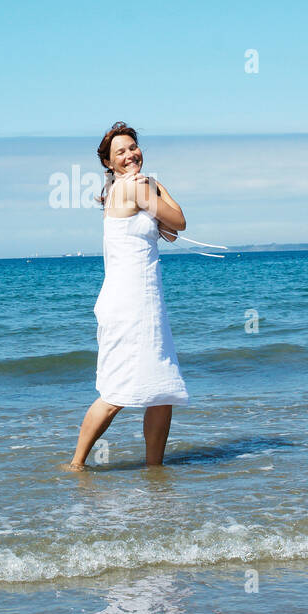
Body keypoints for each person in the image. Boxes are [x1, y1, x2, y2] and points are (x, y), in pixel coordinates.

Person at [70, 121, 189, 469]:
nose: (129, 155)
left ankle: (155, 469)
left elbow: (168, 233)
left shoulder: (133, 189)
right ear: (108, 163)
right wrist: (158, 185)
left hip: (147, 301)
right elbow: (180, 221)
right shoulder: (134, 189)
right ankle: (76, 464)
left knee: (161, 387)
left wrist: (153, 189)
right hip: (130, 302)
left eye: (132, 148)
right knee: (118, 390)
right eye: (119, 152)